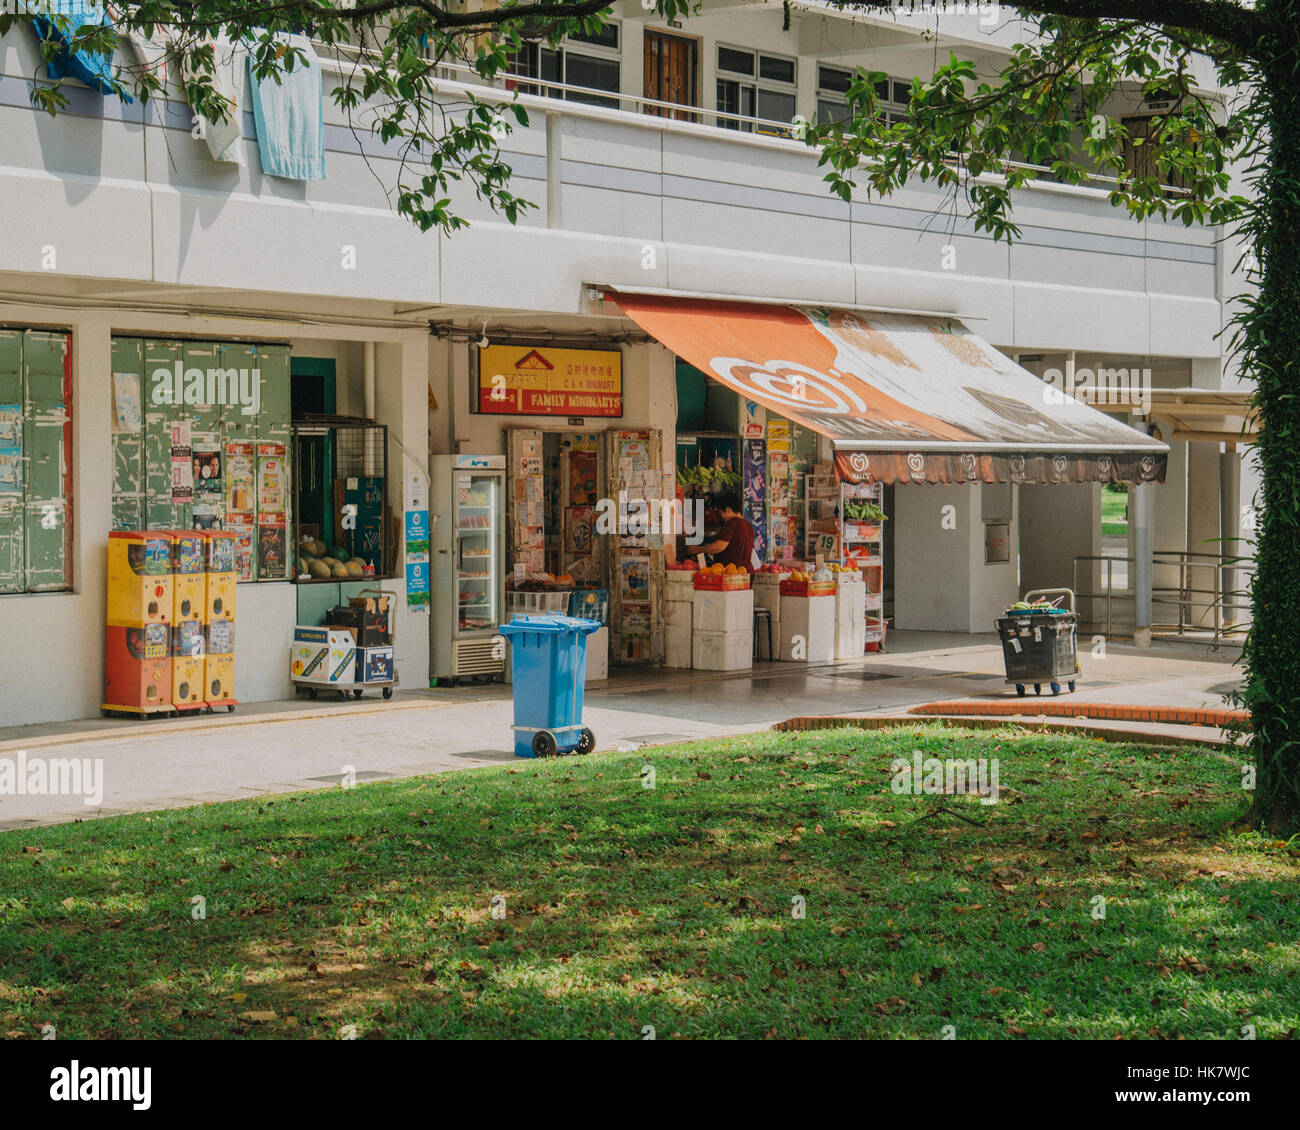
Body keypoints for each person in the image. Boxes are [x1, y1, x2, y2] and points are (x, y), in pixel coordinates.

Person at [700, 492, 756, 572]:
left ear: (728, 510)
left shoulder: (732, 523)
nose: (721, 516)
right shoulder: (748, 524)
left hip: (733, 574)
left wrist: (699, 549)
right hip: (747, 572)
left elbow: (718, 547)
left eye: (721, 512)